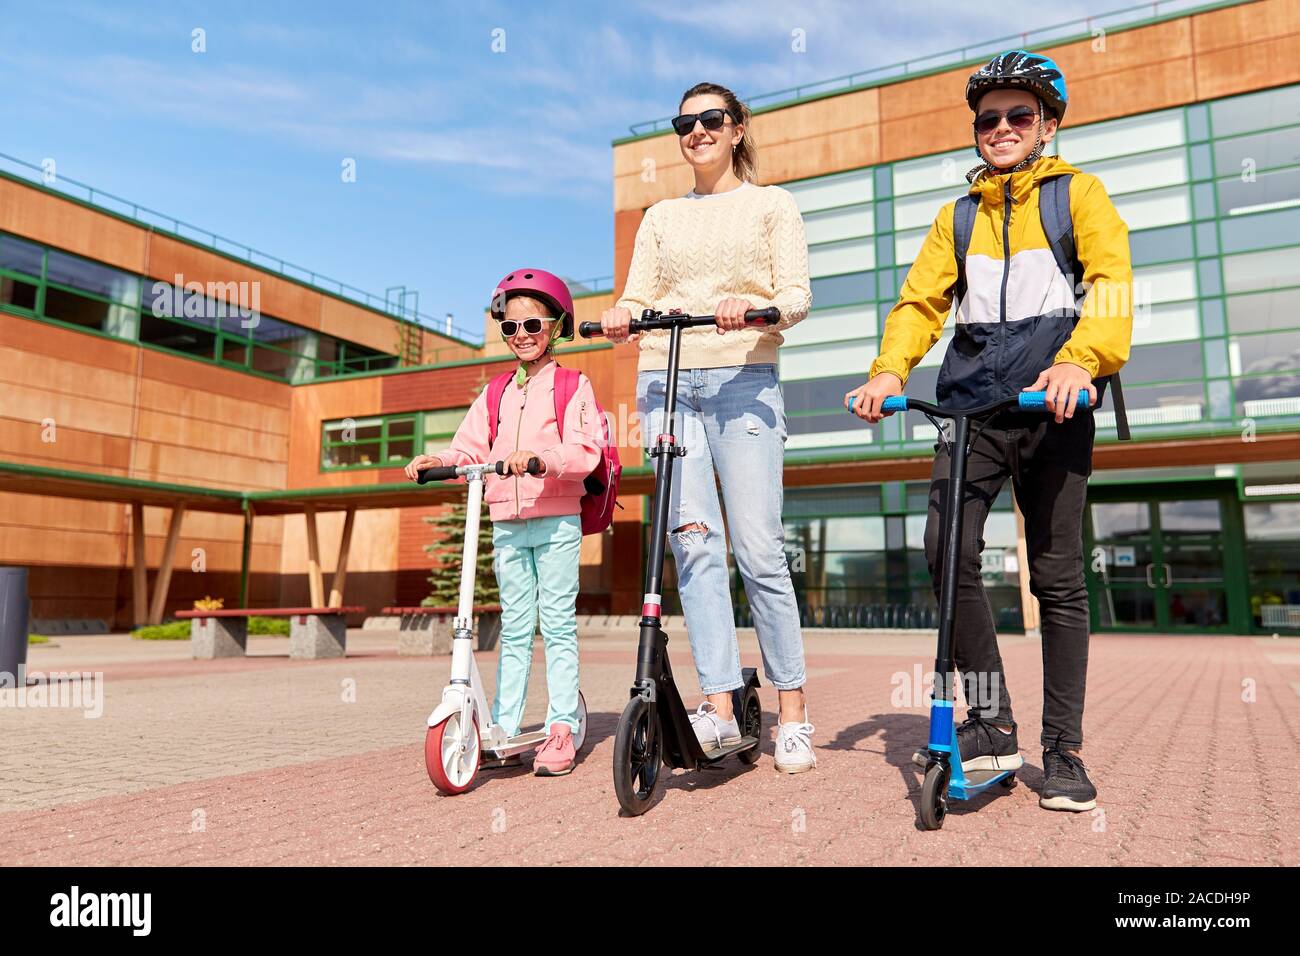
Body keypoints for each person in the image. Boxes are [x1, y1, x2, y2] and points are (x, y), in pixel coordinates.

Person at [846, 51, 1133, 811]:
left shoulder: (1079, 196)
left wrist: (1081, 362)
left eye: (1018, 116)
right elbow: (919, 306)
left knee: (1058, 580)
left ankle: (1063, 752)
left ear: (1047, 125)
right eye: (988, 119)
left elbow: (1111, 285)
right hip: (971, 408)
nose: (1001, 129)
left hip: (1054, 405)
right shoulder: (958, 216)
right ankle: (993, 720)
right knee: (947, 557)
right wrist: (888, 371)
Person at [601, 82, 817, 773]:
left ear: (737, 128)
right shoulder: (661, 216)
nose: (697, 130)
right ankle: (720, 706)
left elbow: (796, 298)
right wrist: (619, 315)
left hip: (742, 381)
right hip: (667, 384)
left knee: (757, 551)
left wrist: (752, 308)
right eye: (685, 122)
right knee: (693, 546)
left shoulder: (771, 205)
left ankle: (793, 714)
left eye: (710, 119)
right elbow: (638, 296)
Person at [405, 269, 604, 777]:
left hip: (554, 518)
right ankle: (508, 726)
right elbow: (469, 448)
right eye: (509, 326)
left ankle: (561, 726)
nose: (521, 336)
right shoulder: (494, 393)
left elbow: (586, 449)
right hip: (506, 521)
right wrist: (438, 460)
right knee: (515, 628)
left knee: (555, 623)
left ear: (557, 326)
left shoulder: (571, 384)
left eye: (532, 325)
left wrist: (539, 460)